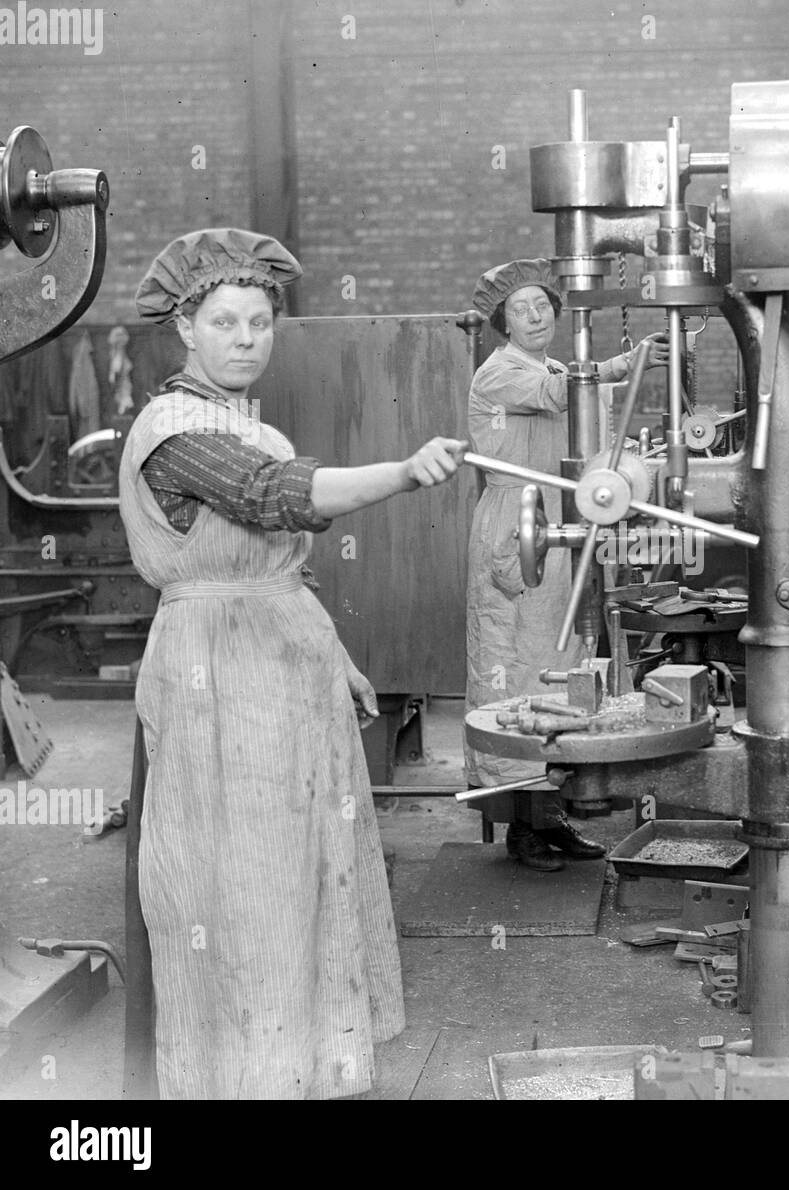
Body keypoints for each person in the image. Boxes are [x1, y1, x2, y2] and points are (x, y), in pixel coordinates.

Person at [119, 227, 466, 1099]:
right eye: (226, 322)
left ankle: (312, 1067)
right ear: (185, 331)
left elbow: (282, 565)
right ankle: (244, 1080)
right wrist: (403, 472)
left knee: (308, 866)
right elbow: (275, 499)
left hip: (286, 661)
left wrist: (335, 655)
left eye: (261, 323)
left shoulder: (256, 427)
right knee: (245, 884)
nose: (246, 338)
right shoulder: (175, 430)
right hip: (218, 675)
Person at [464, 258, 668, 871]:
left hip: (561, 523)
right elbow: (560, 395)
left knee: (563, 672)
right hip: (518, 528)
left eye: (543, 304)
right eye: (522, 307)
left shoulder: (554, 365)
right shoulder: (498, 373)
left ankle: (550, 818)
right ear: (502, 319)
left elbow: (584, 430)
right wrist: (618, 367)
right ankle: (521, 827)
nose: (536, 315)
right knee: (518, 675)